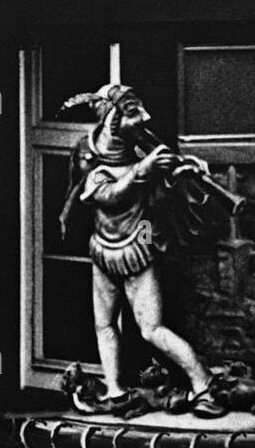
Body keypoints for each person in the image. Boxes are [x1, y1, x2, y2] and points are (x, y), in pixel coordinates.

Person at [59, 82, 225, 418]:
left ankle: (202, 383)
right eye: (134, 112)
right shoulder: (89, 154)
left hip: (137, 246)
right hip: (102, 250)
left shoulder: (140, 151)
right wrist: (142, 172)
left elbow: (162, 182)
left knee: (151, 328)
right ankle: (117, 391)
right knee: (104, 325)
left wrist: (184, 170)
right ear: (113, 119)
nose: (145, 117)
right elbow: (103, 193)